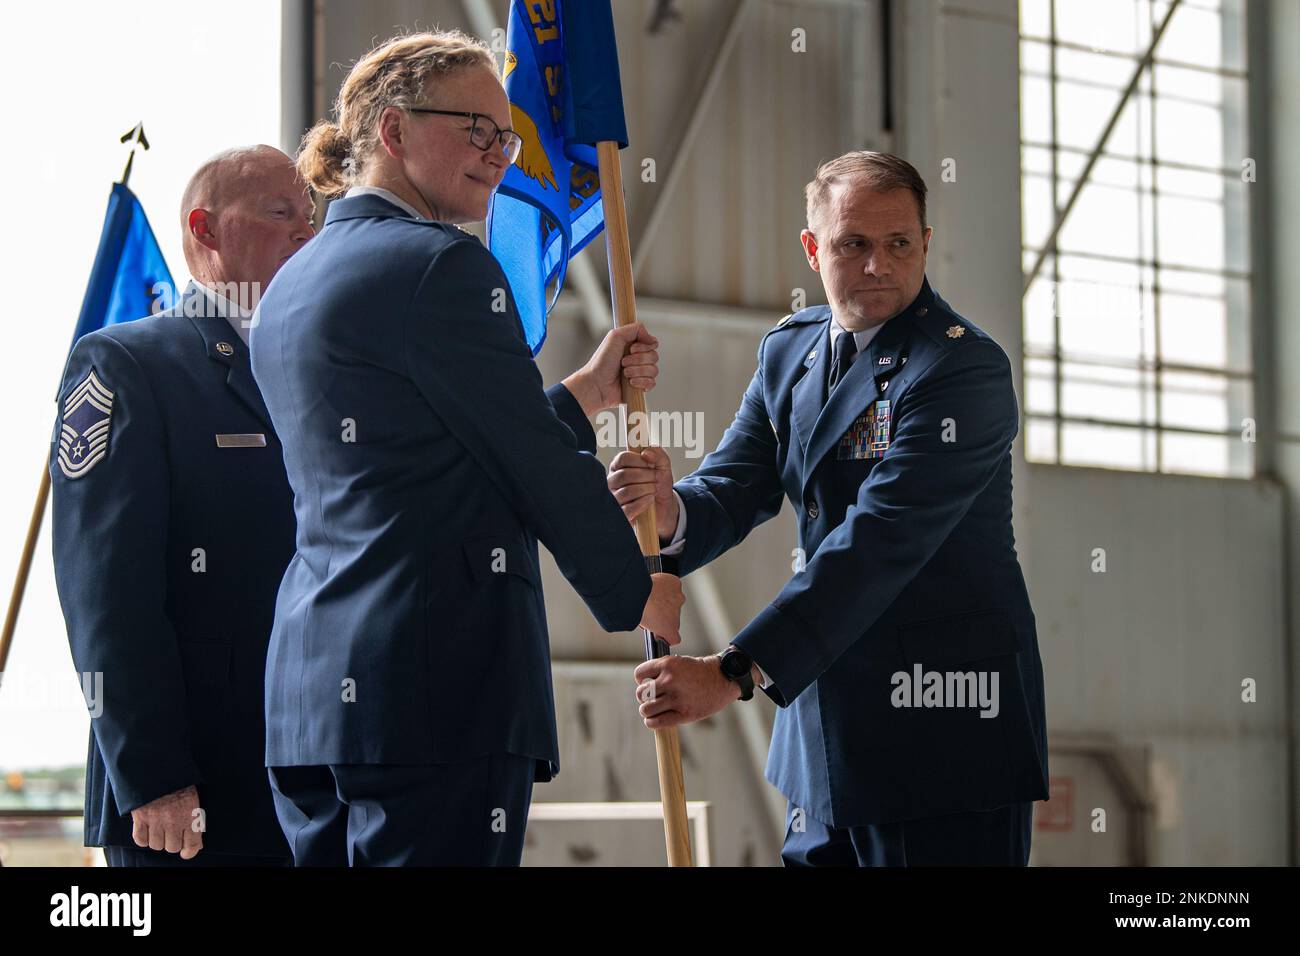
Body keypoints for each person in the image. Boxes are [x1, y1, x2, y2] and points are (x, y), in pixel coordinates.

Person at [250, 31, 684, 867]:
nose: (500, 156)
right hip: (433, 692)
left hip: (314, 699)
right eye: (475, 129)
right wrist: (638, 593)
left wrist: (587, 392)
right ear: (392, 131)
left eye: (507, 135)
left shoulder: (292, 284)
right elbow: (534, 468)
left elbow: (435, 453)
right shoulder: (443, 265)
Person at [609, 151, 1048, 866]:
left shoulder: (962, 370)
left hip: (944, 741)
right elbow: (737, 482)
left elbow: (877, 545)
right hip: (824, 741)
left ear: (926, 245)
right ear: (813, 249)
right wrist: (669, 512)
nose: (878, 265)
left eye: (899, 243)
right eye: (853, 244)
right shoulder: (791, 352)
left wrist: (732, 672)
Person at [51, 145, 314, 866]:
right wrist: (155, 775)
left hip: (317, 780)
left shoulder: (323, 372)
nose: (306, 230)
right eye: (279, 211)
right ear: (204, 228)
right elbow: (104, 591)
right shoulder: (127, 364)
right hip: (192, 797)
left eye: (312, 215)